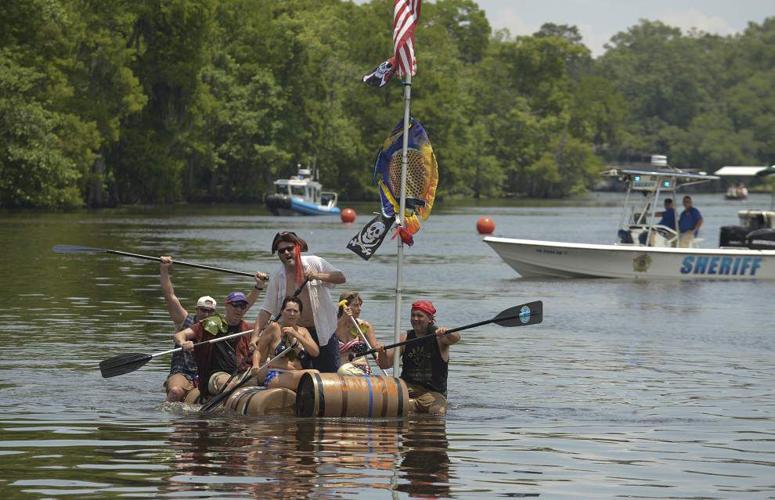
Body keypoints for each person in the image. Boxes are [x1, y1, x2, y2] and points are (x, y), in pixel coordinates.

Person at [160, 256, 267, 402]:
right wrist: (164, 269)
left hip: (204, 372)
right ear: (196, 309)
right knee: (175, 391)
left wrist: (259, 286)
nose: (206, 314)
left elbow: (244, 307)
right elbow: (169, 297)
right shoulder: (189, 321)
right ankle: (167, 414)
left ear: (216, 312)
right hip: (185, 373)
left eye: (210, 311)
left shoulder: (217, 323)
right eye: (203, 310)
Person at [251, 232, 346, 373]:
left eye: (290, 248)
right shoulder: (278, 276)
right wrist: (255, 335)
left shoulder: (314, 262)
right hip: (296, 334)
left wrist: (317, 275)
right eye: (281, 251)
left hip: (323, 331)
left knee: (330, 374)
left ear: (298, 248)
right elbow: (266, 310)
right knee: (302, 377)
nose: (286, 253)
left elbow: (341, 277)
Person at [175, 290, 262, 399]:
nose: (239, 309)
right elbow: (180, 335)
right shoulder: (211, 324)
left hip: (242, 373)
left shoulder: (249, 329)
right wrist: (184, 343)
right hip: (217, 375)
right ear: (226, 306)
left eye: (243, 306)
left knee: (265, 377)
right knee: (229, 384)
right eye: (235, 305)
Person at [379, 300, 458, 416]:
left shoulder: (440, 338)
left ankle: (412, 406)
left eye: (420, 316)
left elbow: (456, 338)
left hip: (432, 393)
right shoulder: (405, 337)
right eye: (413, 315)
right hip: (407, 388)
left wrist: (447, 332)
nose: (415, 319)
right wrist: (382, 353)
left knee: (438, 412)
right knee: (382, 397)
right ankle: (411, 406)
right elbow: (385, 364)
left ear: (430, 319)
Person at [252, 296, 319, 390]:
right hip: (275, 374)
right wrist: (255, 365)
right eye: (288, 310)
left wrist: (296, 335)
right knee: (314, 374)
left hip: (296, 373)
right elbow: (258, 350)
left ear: (300, 314)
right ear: (282, 311)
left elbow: (315, 352)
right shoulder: (274, 328)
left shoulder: (303, 331)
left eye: (295, 311)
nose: (292, 314)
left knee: (314, 374)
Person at [335, 291, 383, 375]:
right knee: (343, 370)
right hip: (339, 369)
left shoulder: (364, 326)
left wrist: (380, 354)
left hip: (360, 368)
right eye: (356, 305)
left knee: (344, 370)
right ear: (345, 307)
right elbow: (334, 333)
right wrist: (344, 318)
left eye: (360, 305)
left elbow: (374, 347)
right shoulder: (334, 325)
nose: (359, 308)